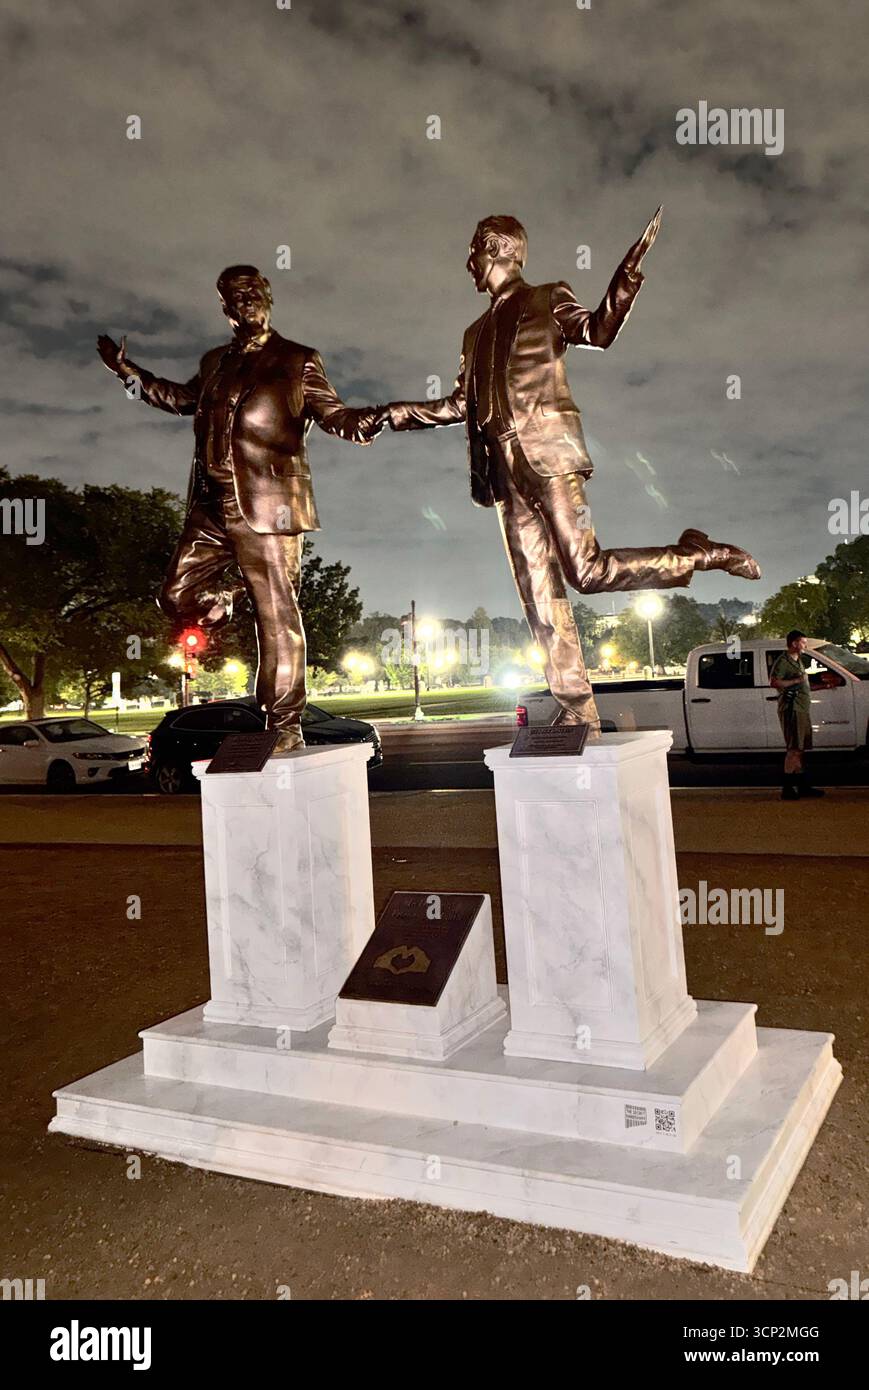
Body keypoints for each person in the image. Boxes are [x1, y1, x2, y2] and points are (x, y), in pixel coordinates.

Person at [384, 212, 761, 728]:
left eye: (474, 250)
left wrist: (626, 276)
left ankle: (694, 555)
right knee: (539, 599)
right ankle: (576, 710)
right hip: (501, 474)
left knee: (585, 571)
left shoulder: (547, 297)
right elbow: (458, 405)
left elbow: (598, 331)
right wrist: (395, 414)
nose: (468, 262)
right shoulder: (473, 334)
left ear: (496, 249)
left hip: (551, 457)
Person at [97, 266, 386, 750]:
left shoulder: (297, 360)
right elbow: (178, 399)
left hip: (269, 507)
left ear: (268, 298)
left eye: (253, 291)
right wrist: (126, 372)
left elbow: (335, 415)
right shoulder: (214, 362)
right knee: (173, 596)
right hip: (211, 506)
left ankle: (284, 725)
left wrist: (371, 421)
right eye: (234, 295)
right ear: (225, 309)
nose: (245, 299)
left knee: (277, 619)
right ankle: (228, 595)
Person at [769, 630, 824, 799]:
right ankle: (787, 789)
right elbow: (774, 682)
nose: (805, 646)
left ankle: (802, 786)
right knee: (793, 749)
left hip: (801, 708)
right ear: (794, 643)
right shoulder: (783, 661)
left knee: (800, 749)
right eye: (803, 642)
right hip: (792, 709)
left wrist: (823, 686)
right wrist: (795, 681)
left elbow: (804, 685)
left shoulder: (797, 660)